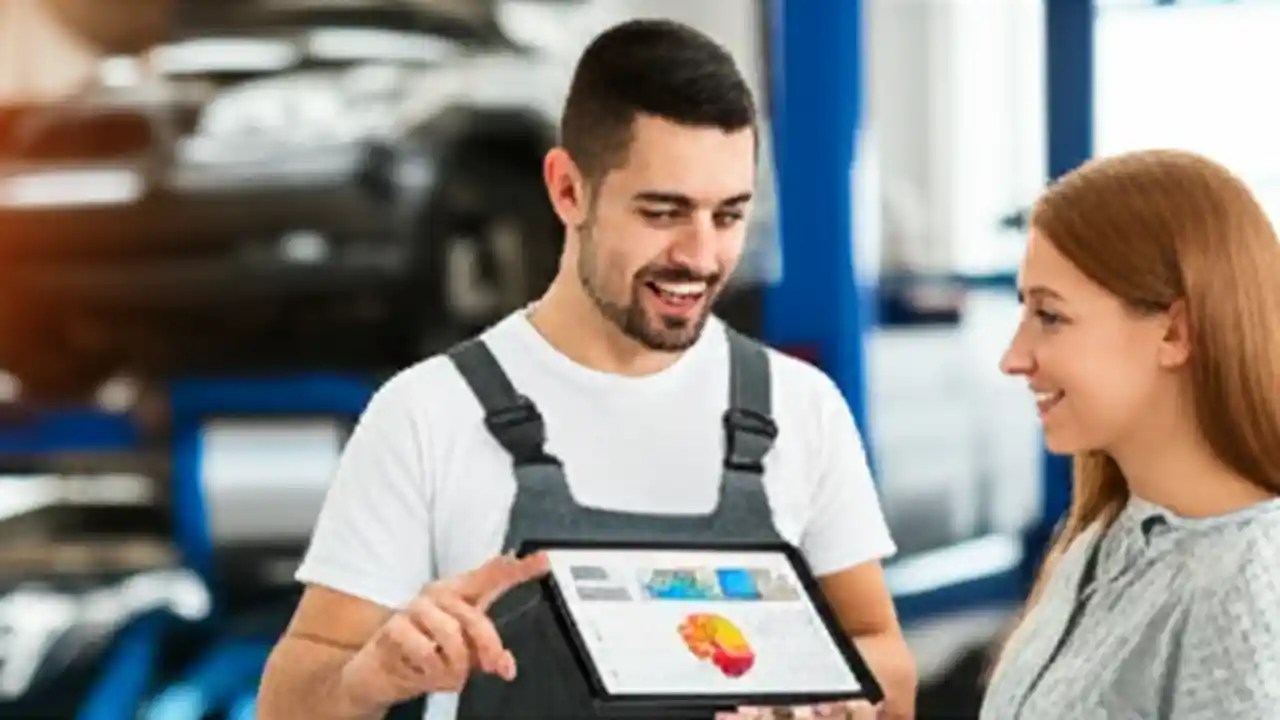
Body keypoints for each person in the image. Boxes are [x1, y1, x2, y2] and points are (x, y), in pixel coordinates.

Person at [256, 18, 917, 720]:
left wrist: (826, 706)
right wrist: (370, 677)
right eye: (664, 212)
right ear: (568, 189)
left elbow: (887, 661)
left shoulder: (799, 408)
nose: (700, 255)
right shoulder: (429, 414)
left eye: (728, 216)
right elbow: (288, 703)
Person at [980, 148, 1280, 719]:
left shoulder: (1249, 594)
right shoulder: (1104, 535)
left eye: (1050, 316)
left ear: (1174, 332)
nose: (1013, 358)